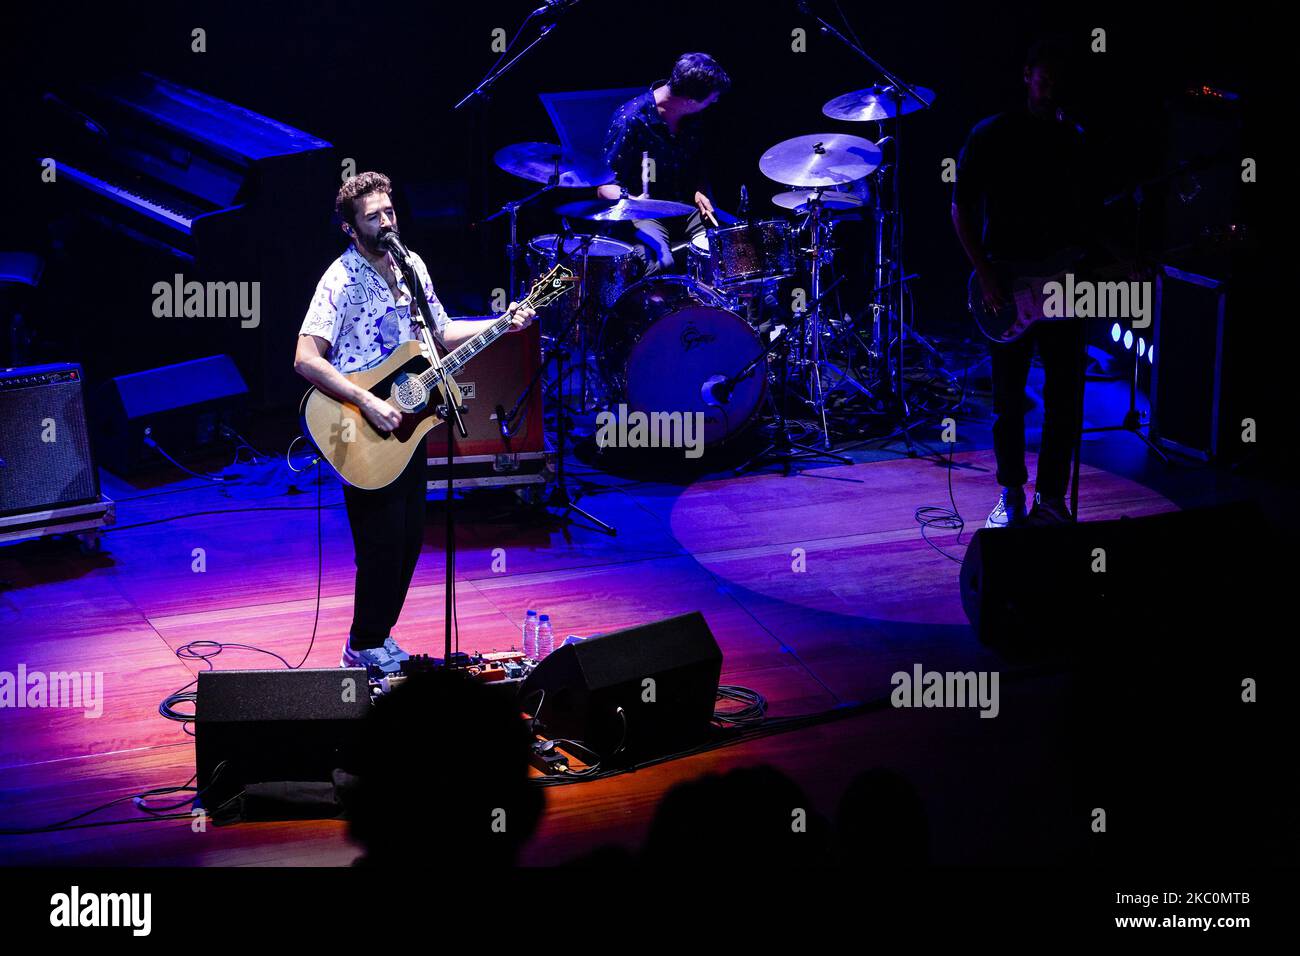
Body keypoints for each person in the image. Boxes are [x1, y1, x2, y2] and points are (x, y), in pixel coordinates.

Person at [294, 171, 535, 674]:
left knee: (407, 540)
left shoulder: (412, 266)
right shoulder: (339, 279)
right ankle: (361, 644)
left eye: (389, 211)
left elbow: (442, 332)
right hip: (362, 424)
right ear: (349, 228)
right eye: (372, 216)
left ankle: (376, 638)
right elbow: (305, 359)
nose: (385, 222)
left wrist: (502, 323)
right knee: (379, 543)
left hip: (412, 422)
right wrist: (369, 401)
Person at [951, 37, 1091, 528]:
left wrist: (1123, 258)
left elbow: (1089, 218)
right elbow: (960, 208)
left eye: (1058, 77)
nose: (1050, 85)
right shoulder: (992, 135)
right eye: (1043, 74)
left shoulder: (1074, 138)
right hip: (1006, 282)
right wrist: (986, 274)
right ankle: (1011, 493)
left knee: (1065, 396)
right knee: (1009, 401)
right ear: (1027, 76)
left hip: (1065, 284)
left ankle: (1050, 498)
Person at [598, 52, 730, 274]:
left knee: (725, 251)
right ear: (690, 101)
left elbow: (697, 163)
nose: (714, 103)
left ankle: (710, 308)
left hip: (684, 205)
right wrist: (636, 203)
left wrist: (699, 189)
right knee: (662, 264)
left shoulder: (694, 119)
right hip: (644, 211)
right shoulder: (631, 119)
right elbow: (604, 187)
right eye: (711, 98)